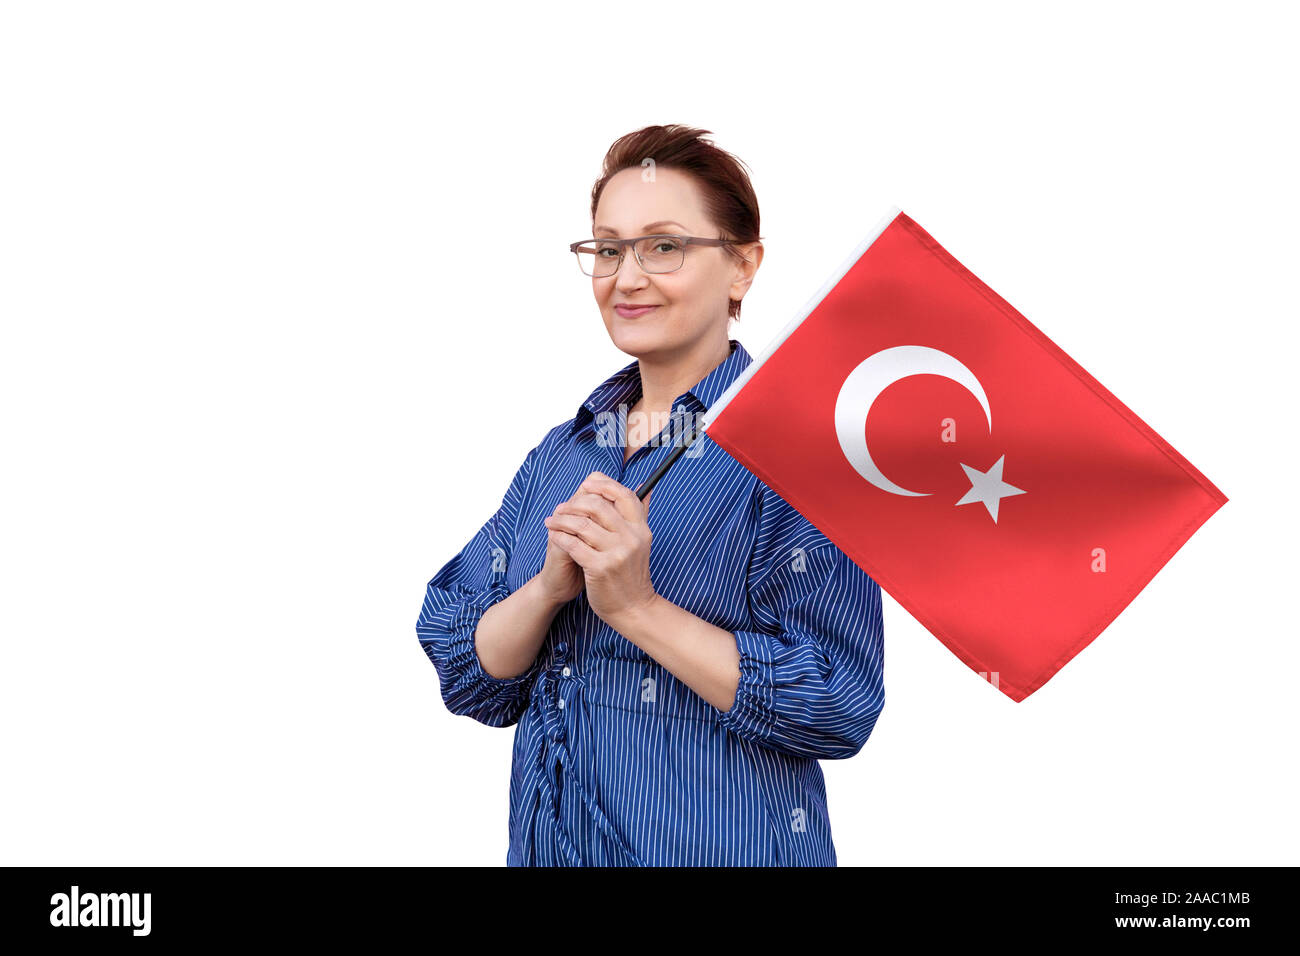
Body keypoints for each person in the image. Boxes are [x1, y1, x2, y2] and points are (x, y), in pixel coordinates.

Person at [415, 124, 885, 866]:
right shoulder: (563, 453)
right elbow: (469, 672)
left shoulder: (799, 458)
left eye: (663, 246)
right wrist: (544, 592)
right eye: (607, 249)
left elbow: (837, 703)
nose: (626, 277)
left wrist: (636, 607)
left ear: (742, 267)